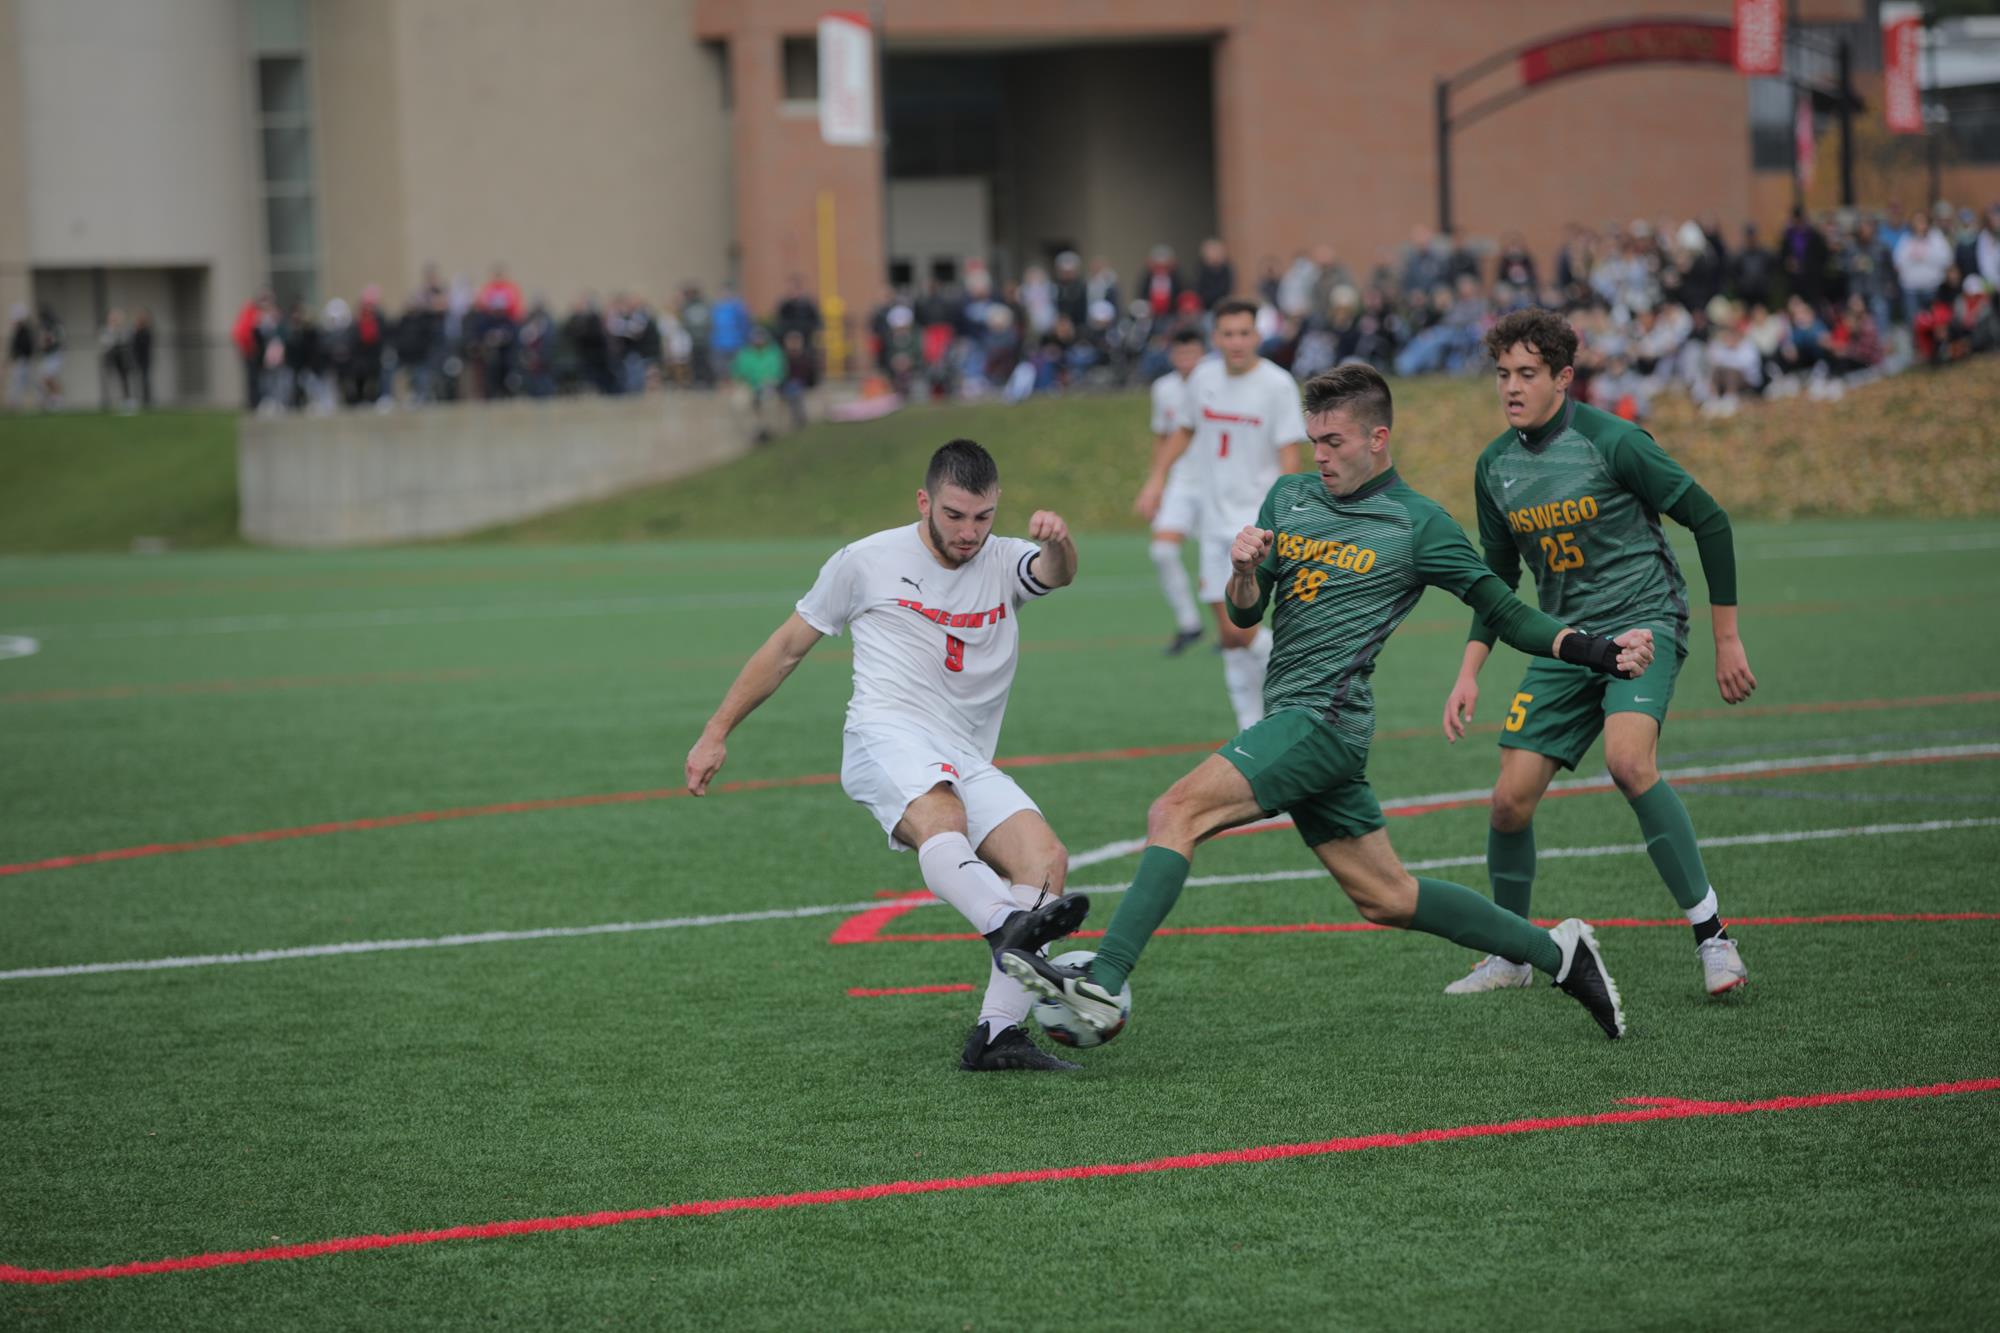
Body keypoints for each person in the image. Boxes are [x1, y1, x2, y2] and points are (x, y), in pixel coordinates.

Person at [1002, 365, 1651, 1044]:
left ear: (1378, 437)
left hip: (1322, 721)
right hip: (1300, 721)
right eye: (1313, 439)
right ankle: (1562, 954)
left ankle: (1103, 982)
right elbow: (1244, 617)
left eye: (1334, 441)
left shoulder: (1418, 523)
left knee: (1174, 811)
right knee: (1388, 896)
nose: (1320, 455)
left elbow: (1507, 613)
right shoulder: (1288, 497)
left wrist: (1597, 651)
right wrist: (1245, 571)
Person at [685, 440, 1090, 1071]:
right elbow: (787, 647)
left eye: (983, 517)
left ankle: (998, 1033)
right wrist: (716, 730)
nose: (969, 531)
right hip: (886, 734)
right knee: (943, 818)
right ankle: (1003, 925)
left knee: (1045, 863)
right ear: (925, 502)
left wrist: (1060, 540)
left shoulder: (1006, 560)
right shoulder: (865, 561)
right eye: (955, 515)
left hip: (964, 751)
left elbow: (1057, 572)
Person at [1437, 308, 1754, 999]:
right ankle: (1513, 952)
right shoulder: (1495, 467)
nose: (1512, 387)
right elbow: (1495, 583)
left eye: (1527, 373)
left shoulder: (1614, 441)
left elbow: (1710, 519)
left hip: (1644, 625)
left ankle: (1714, 938)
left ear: (1564, 377)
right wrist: (1469, 669)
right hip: (1567, 642)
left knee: (1628, 761)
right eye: (1503, 374)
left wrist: (1727, 638)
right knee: (1508, 803)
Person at [1136, 297, 1305, 729]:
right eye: (1227, 334)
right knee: (1230, 635)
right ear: (1216, 337)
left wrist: (1282, 518)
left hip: (1255, 525)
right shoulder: (1204, 379)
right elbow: (1185, 431)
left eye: (1244, 333)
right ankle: (1250, 725)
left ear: (1257, 335)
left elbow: (1290, 457)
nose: (1236, 342)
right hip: (1212, 525)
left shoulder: (1277, 385)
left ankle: (1302, 693)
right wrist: (1156, 479)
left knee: (1244, 630)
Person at [1147, 326, 1210, 655]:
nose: (1186, 359)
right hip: (1182, 482)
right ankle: (1190, 623)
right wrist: (1154, 483)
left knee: (1227, 562)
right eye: (1181, 352)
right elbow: (1163, 437)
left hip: (1218, 485)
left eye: (1192, 352)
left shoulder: (1217, 381)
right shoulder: (1164, 389)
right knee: (1162, 552)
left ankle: (1240, 631)